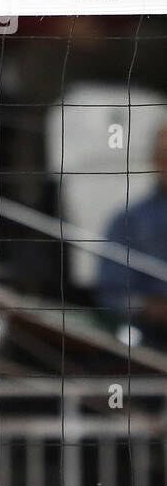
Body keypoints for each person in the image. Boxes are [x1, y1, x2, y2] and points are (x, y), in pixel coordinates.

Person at [97, 123, 167, 350]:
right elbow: (112, 295)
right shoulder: (127, 222)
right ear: (156, 162)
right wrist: (149, 306)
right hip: (149, 344)